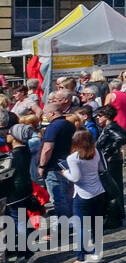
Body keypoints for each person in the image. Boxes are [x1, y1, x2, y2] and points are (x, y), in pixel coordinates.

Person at [60, 129, 108, 263]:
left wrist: (65, 172)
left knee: (81, 227)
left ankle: (81, 257)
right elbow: (101, 168)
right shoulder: (96, 152)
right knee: (96, 224)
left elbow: (75, 178)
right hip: (98, 192)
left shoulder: (73, 158)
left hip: (83, 195)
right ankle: (97, 252)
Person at [92, 103, 126, 230]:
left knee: (112, 188)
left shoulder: (110, 127)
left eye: (99, 116)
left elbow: (122, 137)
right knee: (114, 187)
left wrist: (109, 149)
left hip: (110, 161)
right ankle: (116, 216)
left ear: (106, 116)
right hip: (112, 160)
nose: (98, 118)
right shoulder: (111, 126)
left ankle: (114, 217)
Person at [38, 91, 76, 221]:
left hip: (54, 166)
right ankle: (70, 218)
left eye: (46, 114)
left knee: (58, 196)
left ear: (52, 113)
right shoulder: (70, 125)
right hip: (67, 162)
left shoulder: (53, 127)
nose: (45, 117)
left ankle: (64, 222)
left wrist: (42, 165)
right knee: (68, 193)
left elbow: (47, 149)